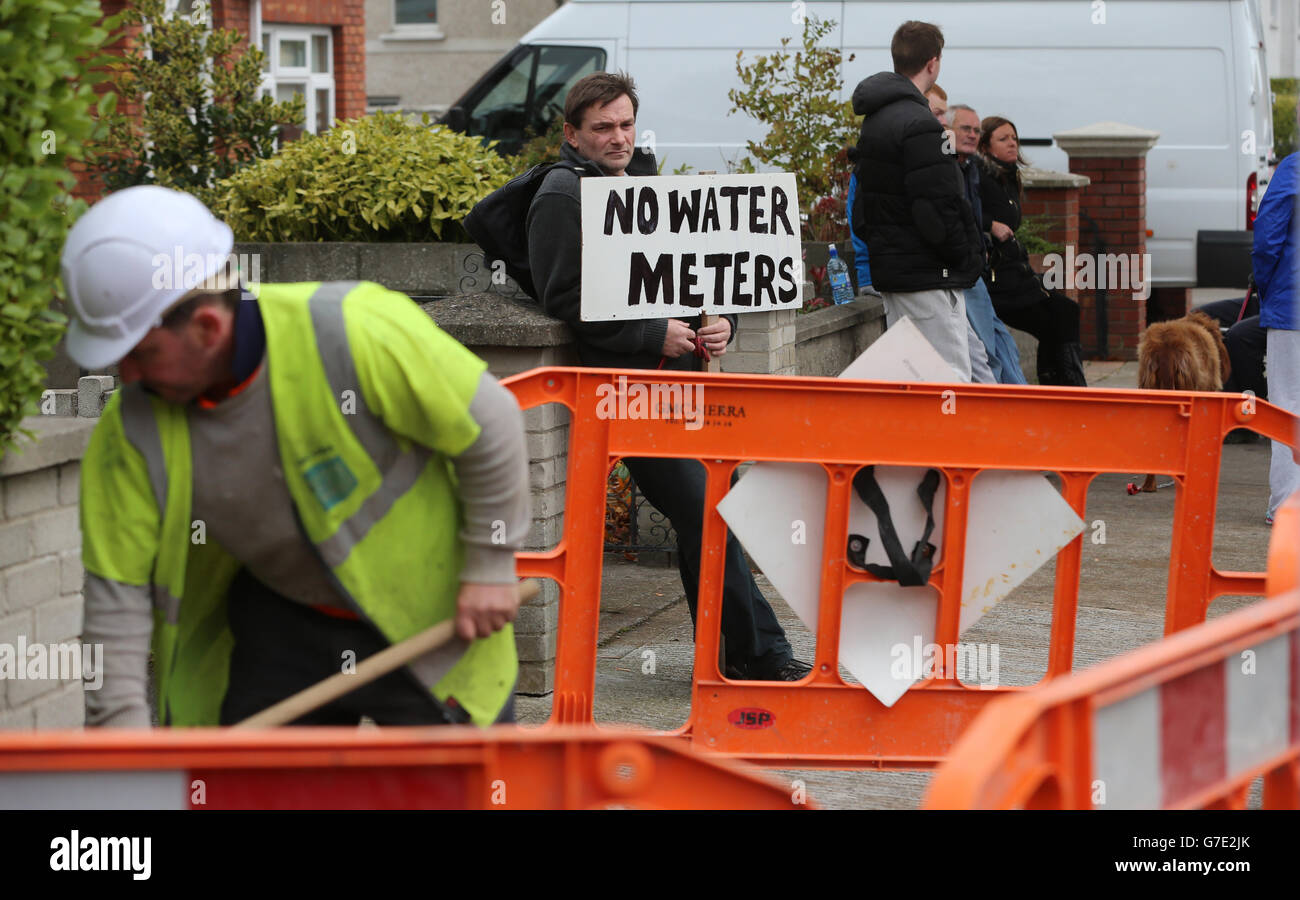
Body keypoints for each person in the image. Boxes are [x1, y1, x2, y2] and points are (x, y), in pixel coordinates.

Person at [63, 185, 532, 727]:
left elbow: (490, 421)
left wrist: (492, 565)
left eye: (140, 355)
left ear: (208, 327)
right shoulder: (131, 433)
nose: (128, 378)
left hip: (430, 622)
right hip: (280, 622)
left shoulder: (351, 329)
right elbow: (115, 598)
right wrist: (118, 750)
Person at [526, 71, 808, 681]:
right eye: (602, 127)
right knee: (708, 509)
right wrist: (653, 334)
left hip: (680, 383)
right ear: (572, 134)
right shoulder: (561, 195)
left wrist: (720, 319)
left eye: (625, 124)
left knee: (705, 515)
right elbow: (565, 300)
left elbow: (695, 273)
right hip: (624, 392)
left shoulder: (647, 184)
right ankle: (762, 656)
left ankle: (731, 655)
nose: (618, 137)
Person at [850, 21, 985, 382]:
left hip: (894, 270)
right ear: (933, 63)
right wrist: (966, 256)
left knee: (913, 378)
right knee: (949, 381)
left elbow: (862, 205)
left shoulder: (875, 119)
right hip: (928, 273)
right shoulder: (924, 125)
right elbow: (939, 207)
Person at [977, 115, 1088, 386]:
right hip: (997, 281)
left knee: (1065, 312)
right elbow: (963, 208)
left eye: (1014, 138)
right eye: (1003, 139)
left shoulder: (1009, 177)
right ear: (986, 147)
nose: (1012, 144)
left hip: (1018, 274)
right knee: (1057, 319)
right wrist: (990, 225)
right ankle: (1067, 386)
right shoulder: (979, 176)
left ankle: (1061, 384)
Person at [949, 103, 1028, 385]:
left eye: (975, 130)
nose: (971, 134)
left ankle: (1022, 407)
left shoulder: (968, 168)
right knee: (986, 354)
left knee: (1004, 346)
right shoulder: (950, 169)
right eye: (965, 129)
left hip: (976, 268)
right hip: (958, 273)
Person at [1253, 147, 1298, 524]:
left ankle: (1287, 503)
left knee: (1287, 403)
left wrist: (1267, 289)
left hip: (1293, 305)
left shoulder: (1293, 169)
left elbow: (1267, 239)